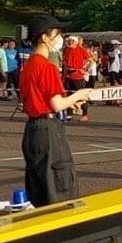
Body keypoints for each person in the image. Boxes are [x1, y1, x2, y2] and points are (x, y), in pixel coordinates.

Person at [18, 14, 91, 206]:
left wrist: (69, 102)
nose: (59, 38)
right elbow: (57, 104)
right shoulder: (46, 67)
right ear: (44, 37)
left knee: (39, 188)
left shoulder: (28, 66)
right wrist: (79, 95)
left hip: (32, 129)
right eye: (56, 33)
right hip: (48, 129)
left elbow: (40, 98)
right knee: (59, 186)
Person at [62, 33, 92, 122]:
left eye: (71, 41)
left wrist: (86, 70)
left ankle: (85, 114)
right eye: (69, 41)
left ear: (75, 42)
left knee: (81, 96)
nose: (69, 42)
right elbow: (65, 64)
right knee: (68, 95)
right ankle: (69, 114)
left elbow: (91, 60)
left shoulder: (81, 50)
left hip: (78, 75)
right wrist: (64, 75)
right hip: (68, 75)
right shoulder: (66, 50)